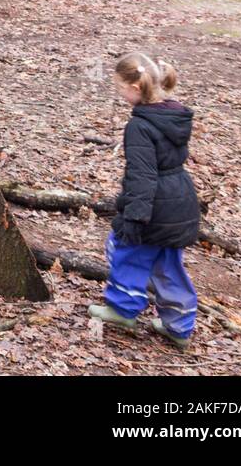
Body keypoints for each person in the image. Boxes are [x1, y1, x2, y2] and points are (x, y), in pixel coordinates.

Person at [87, 53, 199, 351]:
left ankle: (123, 309)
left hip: (154, 207)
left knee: (124, 250)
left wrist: (134, 217)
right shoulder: (174, 116)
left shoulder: (139, 126)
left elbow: (142, 175)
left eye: (120, 87)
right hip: (181, 202)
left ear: (136, 88)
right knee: (168, 264)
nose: (119, 93)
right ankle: (180, 325)